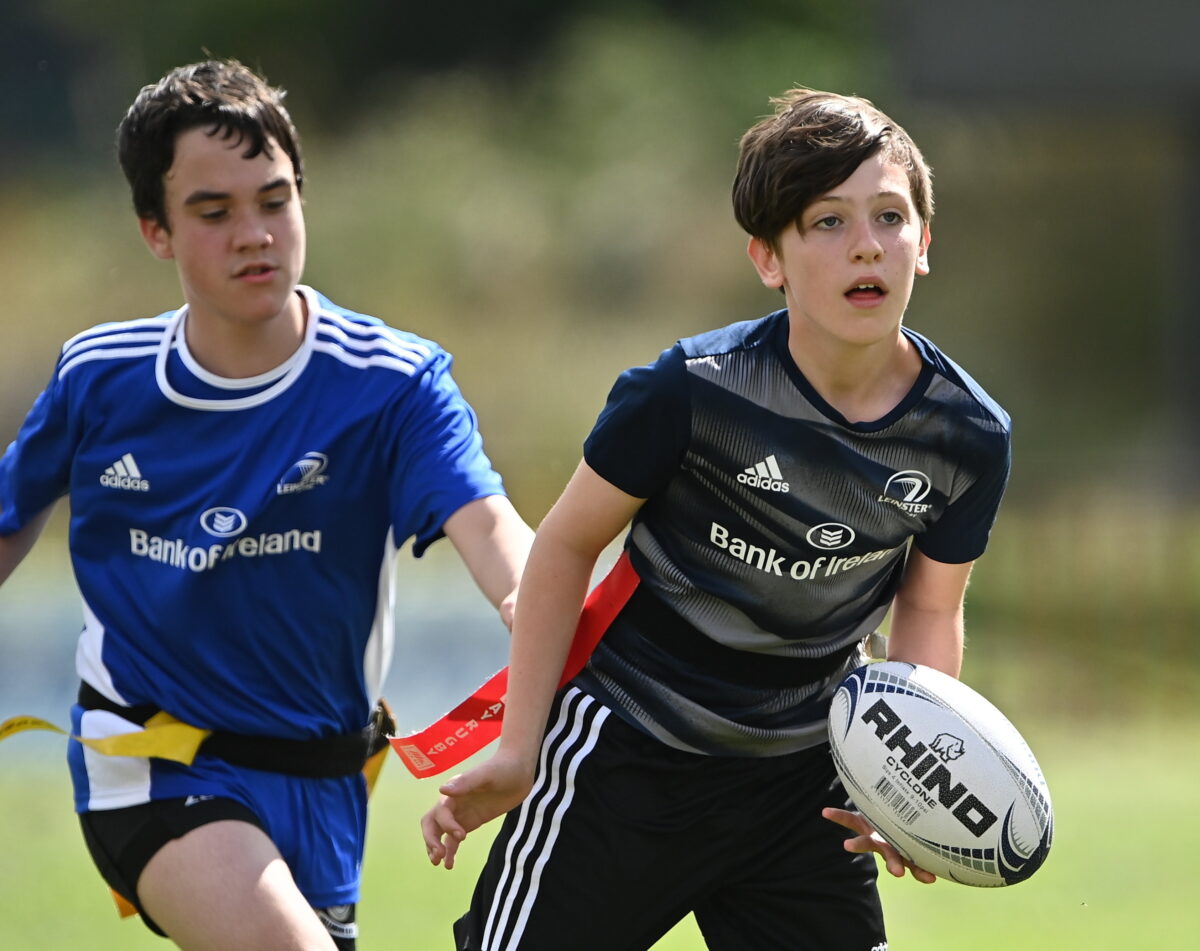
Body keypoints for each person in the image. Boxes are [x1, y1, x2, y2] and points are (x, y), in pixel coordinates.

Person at [420, 86, 1011, 950]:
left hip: (806, 780)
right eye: (828, 223)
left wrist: (901, 781)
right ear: (768, 258)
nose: (867, 246)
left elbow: (928, 606)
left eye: (890, 216)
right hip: (628, 755)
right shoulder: (690, 392)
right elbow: (566, 544)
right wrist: (519, 746)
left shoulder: (966, 434)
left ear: (924, 244)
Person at [0, 60, 533, 951]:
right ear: (155, 230)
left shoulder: (392, 384)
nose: (255, 234)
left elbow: (493, 528)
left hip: (325, 778)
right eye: (214, 212)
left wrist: (535, 611)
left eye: (275, 200)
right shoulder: (99, 376)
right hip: (149, 756)